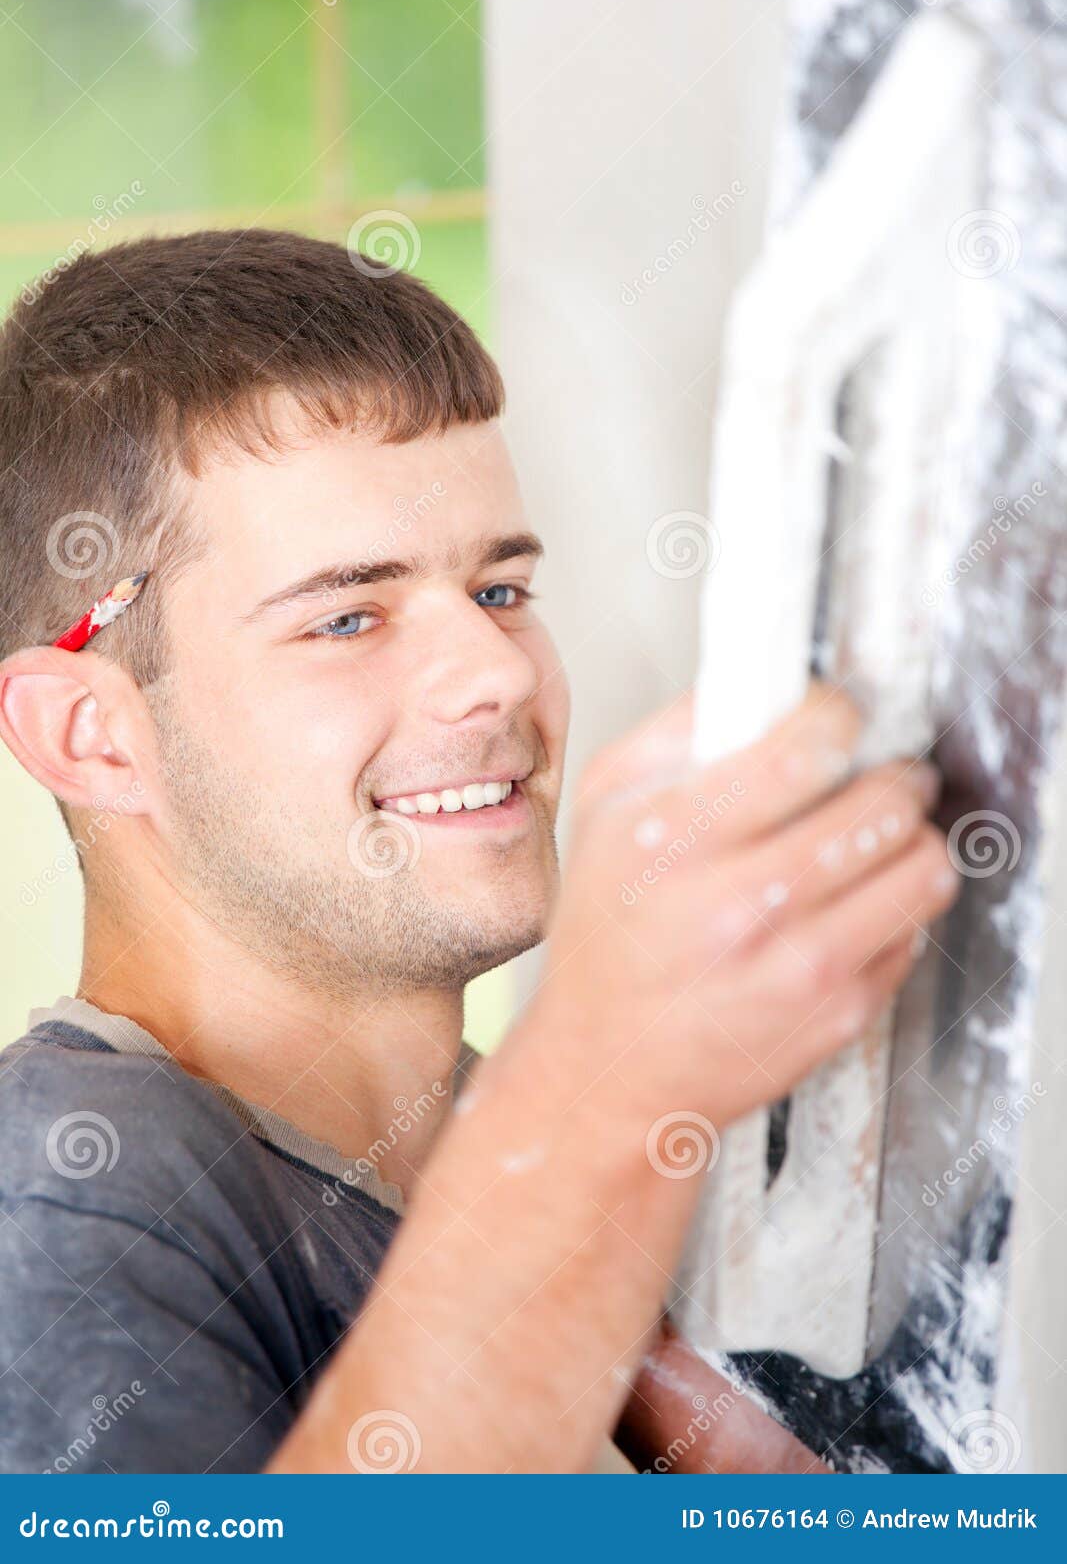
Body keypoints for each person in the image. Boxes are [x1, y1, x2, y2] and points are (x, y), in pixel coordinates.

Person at [0, 232, 955, 1473]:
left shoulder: (503, 1178)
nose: (498, 674)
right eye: (347, 616)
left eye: (500, 592)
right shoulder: (64, 1192)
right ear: (91, 737)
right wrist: (600, 1089)